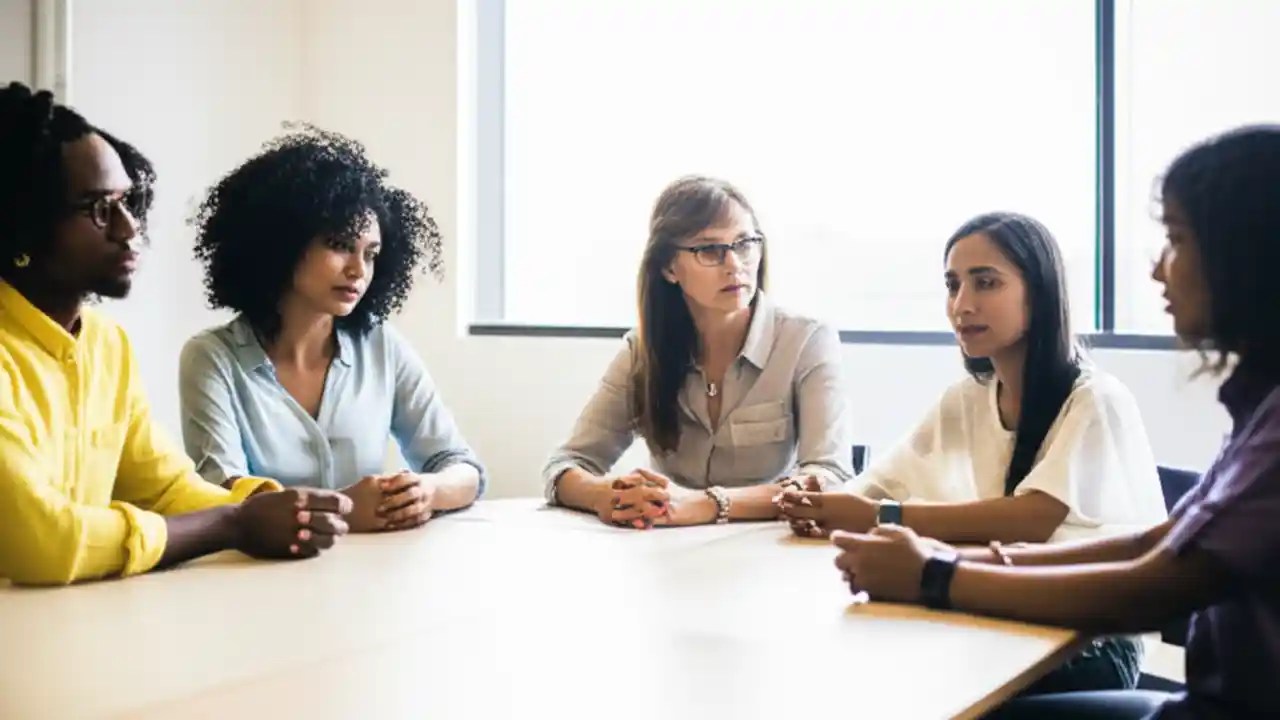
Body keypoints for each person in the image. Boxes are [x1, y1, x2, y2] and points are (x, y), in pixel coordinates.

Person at [833, 125, 1280, 719]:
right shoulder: (1260, 406)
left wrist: (936, 573)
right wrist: (955, 561)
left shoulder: (1104, 396)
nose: (1156, 271)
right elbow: (1160, 542)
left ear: (1245, 252)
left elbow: (1157, 584)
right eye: (952, 285)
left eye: (1176, 239)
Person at [779, 212, 1166, 693]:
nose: (962, 304)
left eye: (986, 283)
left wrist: (881, 515)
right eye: (952, 285)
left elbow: (1032, 517)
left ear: (1039, 293)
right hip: (998, 603)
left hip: (1091, 635)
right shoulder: (965, 398)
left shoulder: (1094, 398)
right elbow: (875, 484)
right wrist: (823, 505)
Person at [0, 83, 350, 585]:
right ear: (21, 222)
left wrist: (273, 507)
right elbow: (47, 543)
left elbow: (163, 488)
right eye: (98, 208)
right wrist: (233, 523)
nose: (128, 228)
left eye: (127, 202)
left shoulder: (106, 344)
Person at [180, 125, 485, 533]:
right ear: (282, 243)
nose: (359, 270)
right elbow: (223, 496)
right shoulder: (212, 358)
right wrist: (344, 509)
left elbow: (463, 469)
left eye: (371, 254)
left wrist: (427, 490)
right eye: (340, 245)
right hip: (256, 578)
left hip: (370, 577)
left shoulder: (381, 346)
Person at [543, 175, 853, 528]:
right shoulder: (642, 350)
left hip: (769, 547)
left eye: (745, 243)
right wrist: (608, 495)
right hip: (666, 549)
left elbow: (828, 477)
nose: (734, 264)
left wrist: (707, 505)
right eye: (709, 250)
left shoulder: (806, 340)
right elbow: (566, 465)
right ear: (668, 268)